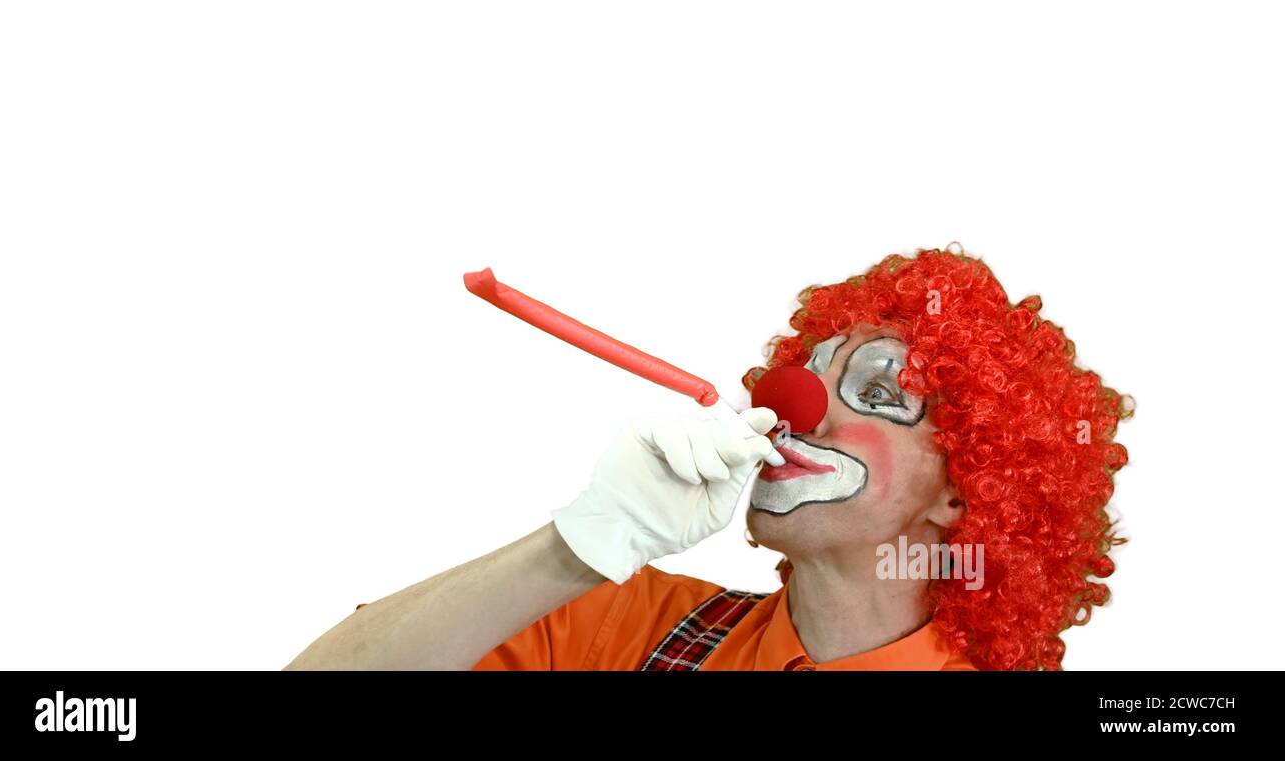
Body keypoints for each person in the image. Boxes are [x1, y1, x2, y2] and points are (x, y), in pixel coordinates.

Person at [285, 246, 1132, 671]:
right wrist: (577, 548)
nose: (800, 404)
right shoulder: (632, 624)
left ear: (966, 491)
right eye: (807, 371)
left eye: (876, 390)